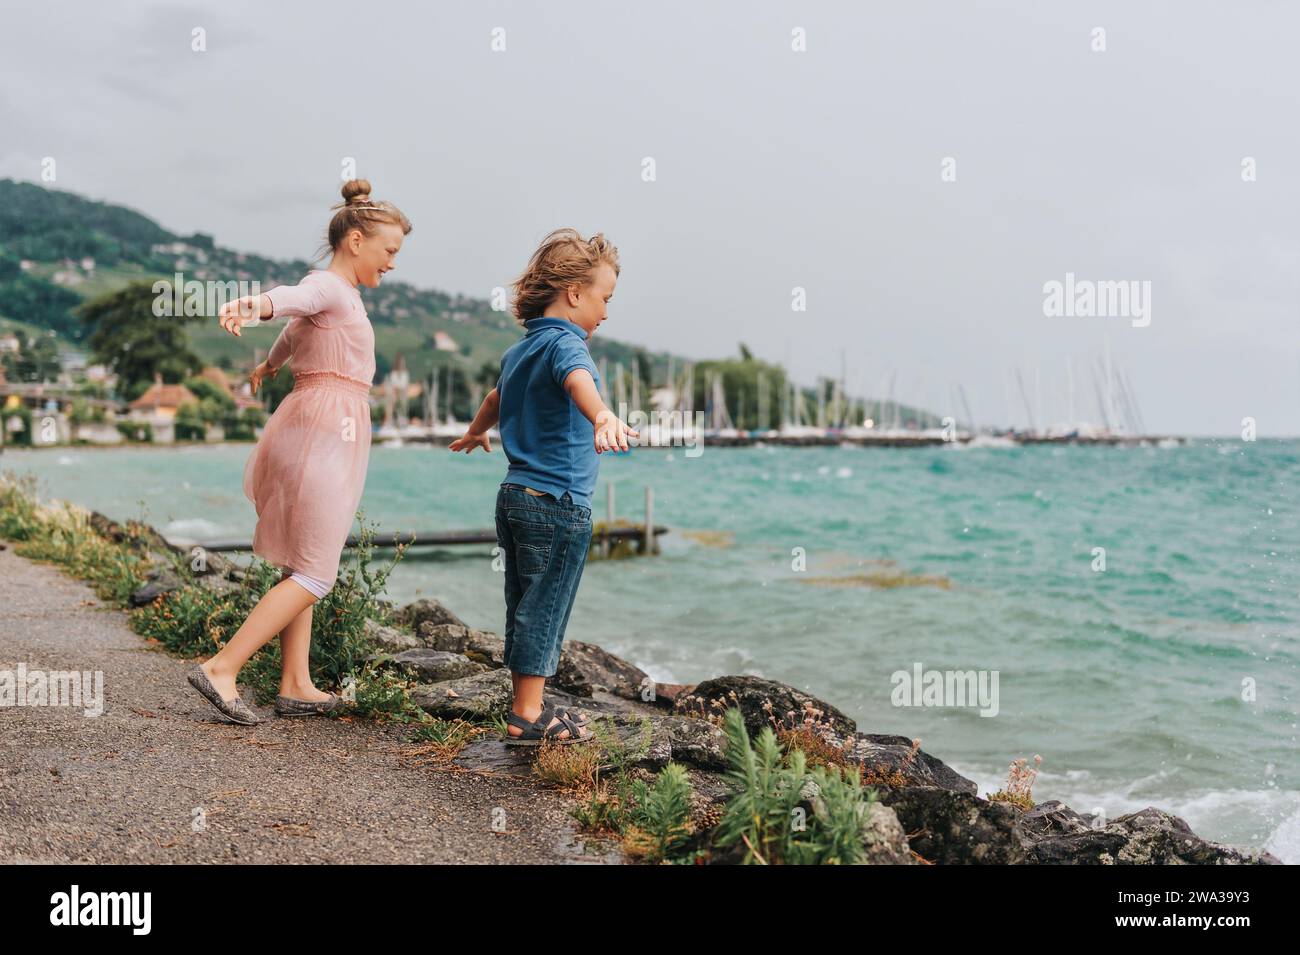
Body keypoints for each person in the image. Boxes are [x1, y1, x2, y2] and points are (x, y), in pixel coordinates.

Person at [186, 179, 411, 724]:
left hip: (308, 422)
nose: (393, 263)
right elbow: (295, 299)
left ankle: (296, 683)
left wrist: (268, 365)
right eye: (389, 251)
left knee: (300, 565)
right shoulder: (330, 287)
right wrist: (256, 302)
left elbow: (293, 331)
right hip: (326, 428)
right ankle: (222, 667)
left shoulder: (341, 298)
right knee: (317, 574)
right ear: (355, 241)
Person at [451, 228, 637, 745]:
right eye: (604, 298)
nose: (605, 312)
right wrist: (602, 416)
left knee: (524, 601)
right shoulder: (567, 346)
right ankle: (528, 714)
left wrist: (474, 431)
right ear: (574, 294)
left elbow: (494, 397)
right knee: (547, 604)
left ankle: (524, 704)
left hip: (514, 498)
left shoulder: (521, 350)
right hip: (557, 503)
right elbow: (580, 381)